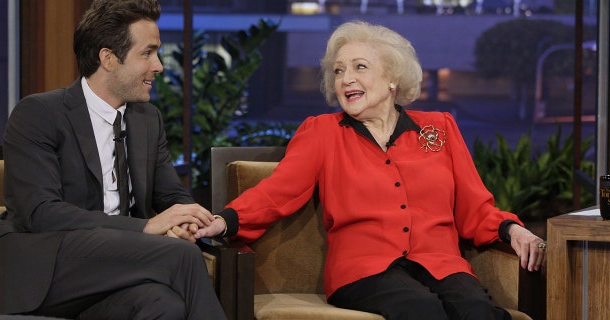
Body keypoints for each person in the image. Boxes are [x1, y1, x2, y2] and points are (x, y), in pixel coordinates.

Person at [194, 20, 546, 320]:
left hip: (441, 263)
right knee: (421, 310)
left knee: (476, 310)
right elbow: (278, 190)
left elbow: (474, 204)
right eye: (338, 70)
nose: (346, 78)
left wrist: (512, 229)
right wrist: (224, 220)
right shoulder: (323, 132)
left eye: (359, 67)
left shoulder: (437, 130)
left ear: (392, 78)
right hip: (364, 270)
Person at [0, 0, 227, 319]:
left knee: (164, 305)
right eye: (147, 53)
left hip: (112, 274)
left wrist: (188, 219)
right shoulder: (38, 113)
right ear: (108, 58)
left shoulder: (147, 119)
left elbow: (169, 194)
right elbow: (41, 213)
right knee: (183, 256)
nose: (159, 65)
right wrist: (145, 227)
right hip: (46, 269)